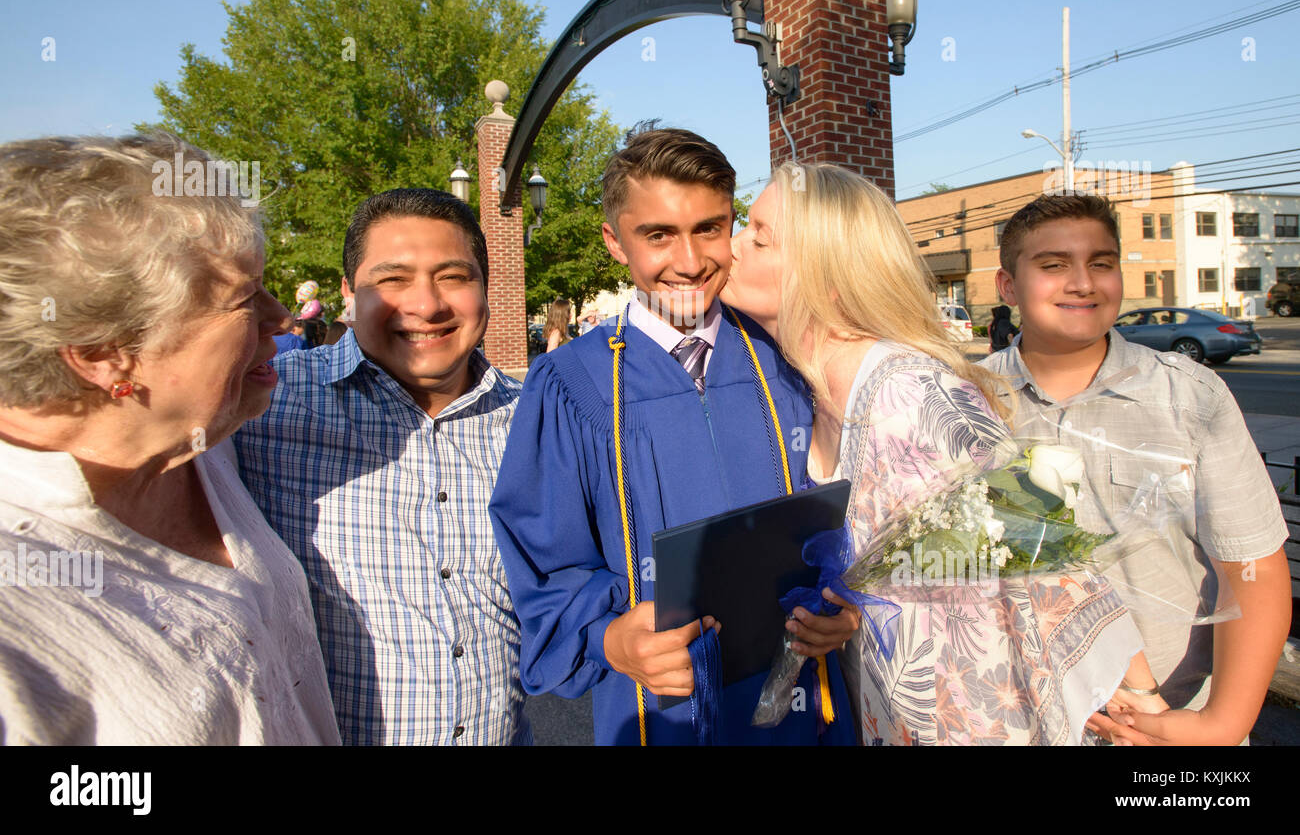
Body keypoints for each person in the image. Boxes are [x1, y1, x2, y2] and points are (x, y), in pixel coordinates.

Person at [723, 163, 1151, 745]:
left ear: (825, 271)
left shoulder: (911, 393)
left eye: (759, 235)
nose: (732, 245)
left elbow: (1050, 555)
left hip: (984, 721)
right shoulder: (808, 391)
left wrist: (1141, 708)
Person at [490, 127, 859, 746]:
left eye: (710, 228)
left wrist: (846, 602)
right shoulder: (571, 384)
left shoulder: (788, 355)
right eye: (657, 235)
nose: (689, 262)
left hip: (801, 702)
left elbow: (849, 514)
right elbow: (545, 561)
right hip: (658, 711)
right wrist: (609, 638)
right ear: (614, 241)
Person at [0, 134, 339, 744]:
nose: (281, 318)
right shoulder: (19, 630)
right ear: (106, 355)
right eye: (243, 298)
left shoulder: (203, 440)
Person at [982, 192, 1291, 745]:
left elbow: (1253, 569)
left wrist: (1220, 726)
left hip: (1170, 724)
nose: (1083, 282)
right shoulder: (966, 402)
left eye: (1101, 263)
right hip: (1018, 717)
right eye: (1053, 266)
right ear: (1008, 286)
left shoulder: (1189, 397)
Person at [234, 189, 529, 745]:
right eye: (392, 279)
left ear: (485, 287)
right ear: (348, 292)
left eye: (453, 276)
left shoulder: (535, 422)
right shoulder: (263, 410)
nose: (427, 304)